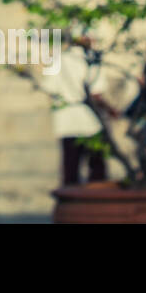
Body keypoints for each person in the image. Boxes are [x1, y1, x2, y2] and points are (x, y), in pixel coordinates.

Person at [47, 37, 111, 186]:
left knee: (71, 169)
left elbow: (50, 90)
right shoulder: (92, 60)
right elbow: (97, 93)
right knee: (97, 169)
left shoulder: (58, 59)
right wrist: (111, 110)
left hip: (67, 122)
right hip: (91, 122)